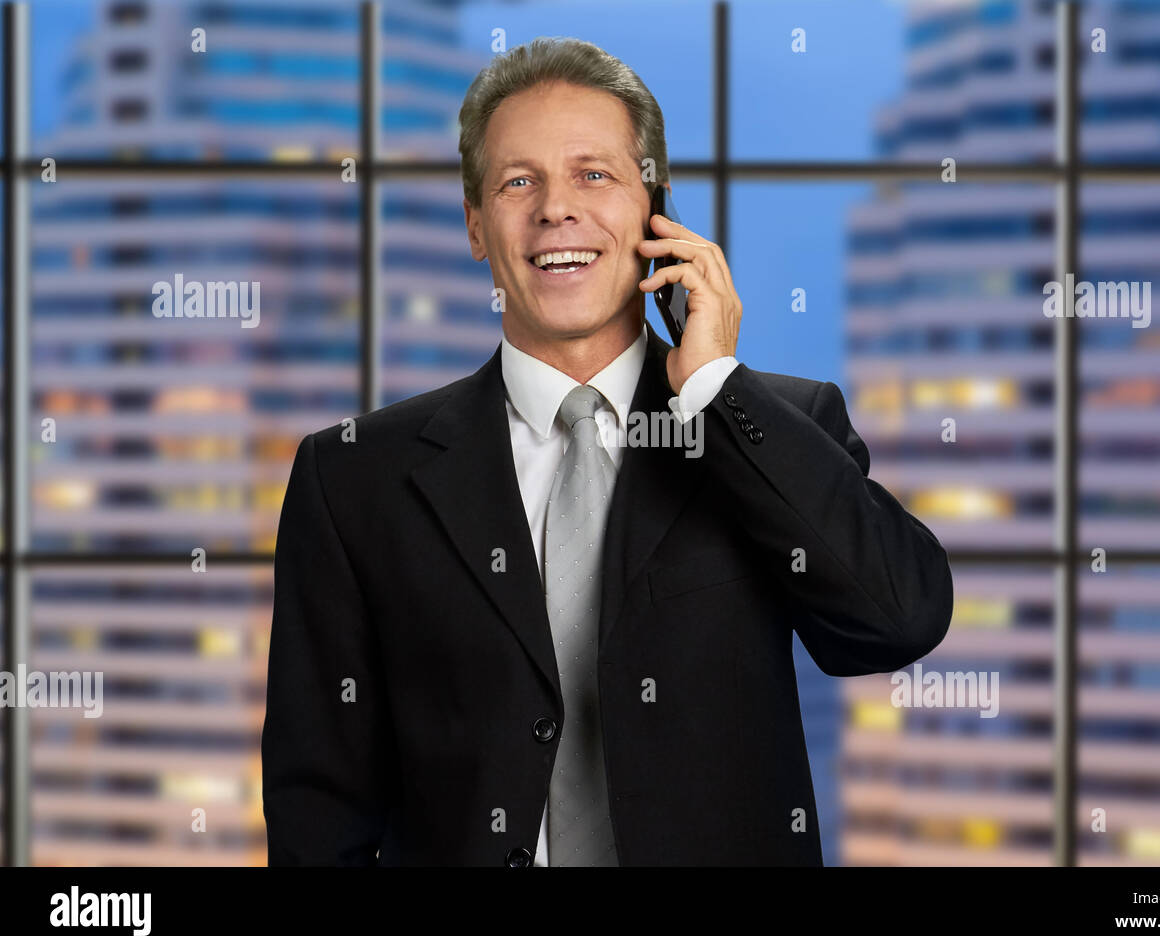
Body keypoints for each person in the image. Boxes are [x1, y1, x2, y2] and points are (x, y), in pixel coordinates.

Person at [261, 36, 953, 866]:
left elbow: (895, 622)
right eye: (519, 181)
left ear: (656, 212)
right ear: (477, 226)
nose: (557, 208)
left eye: (595, 173)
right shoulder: (353, 476)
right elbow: (318, 810)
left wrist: (715, 392)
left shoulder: (773, 426)